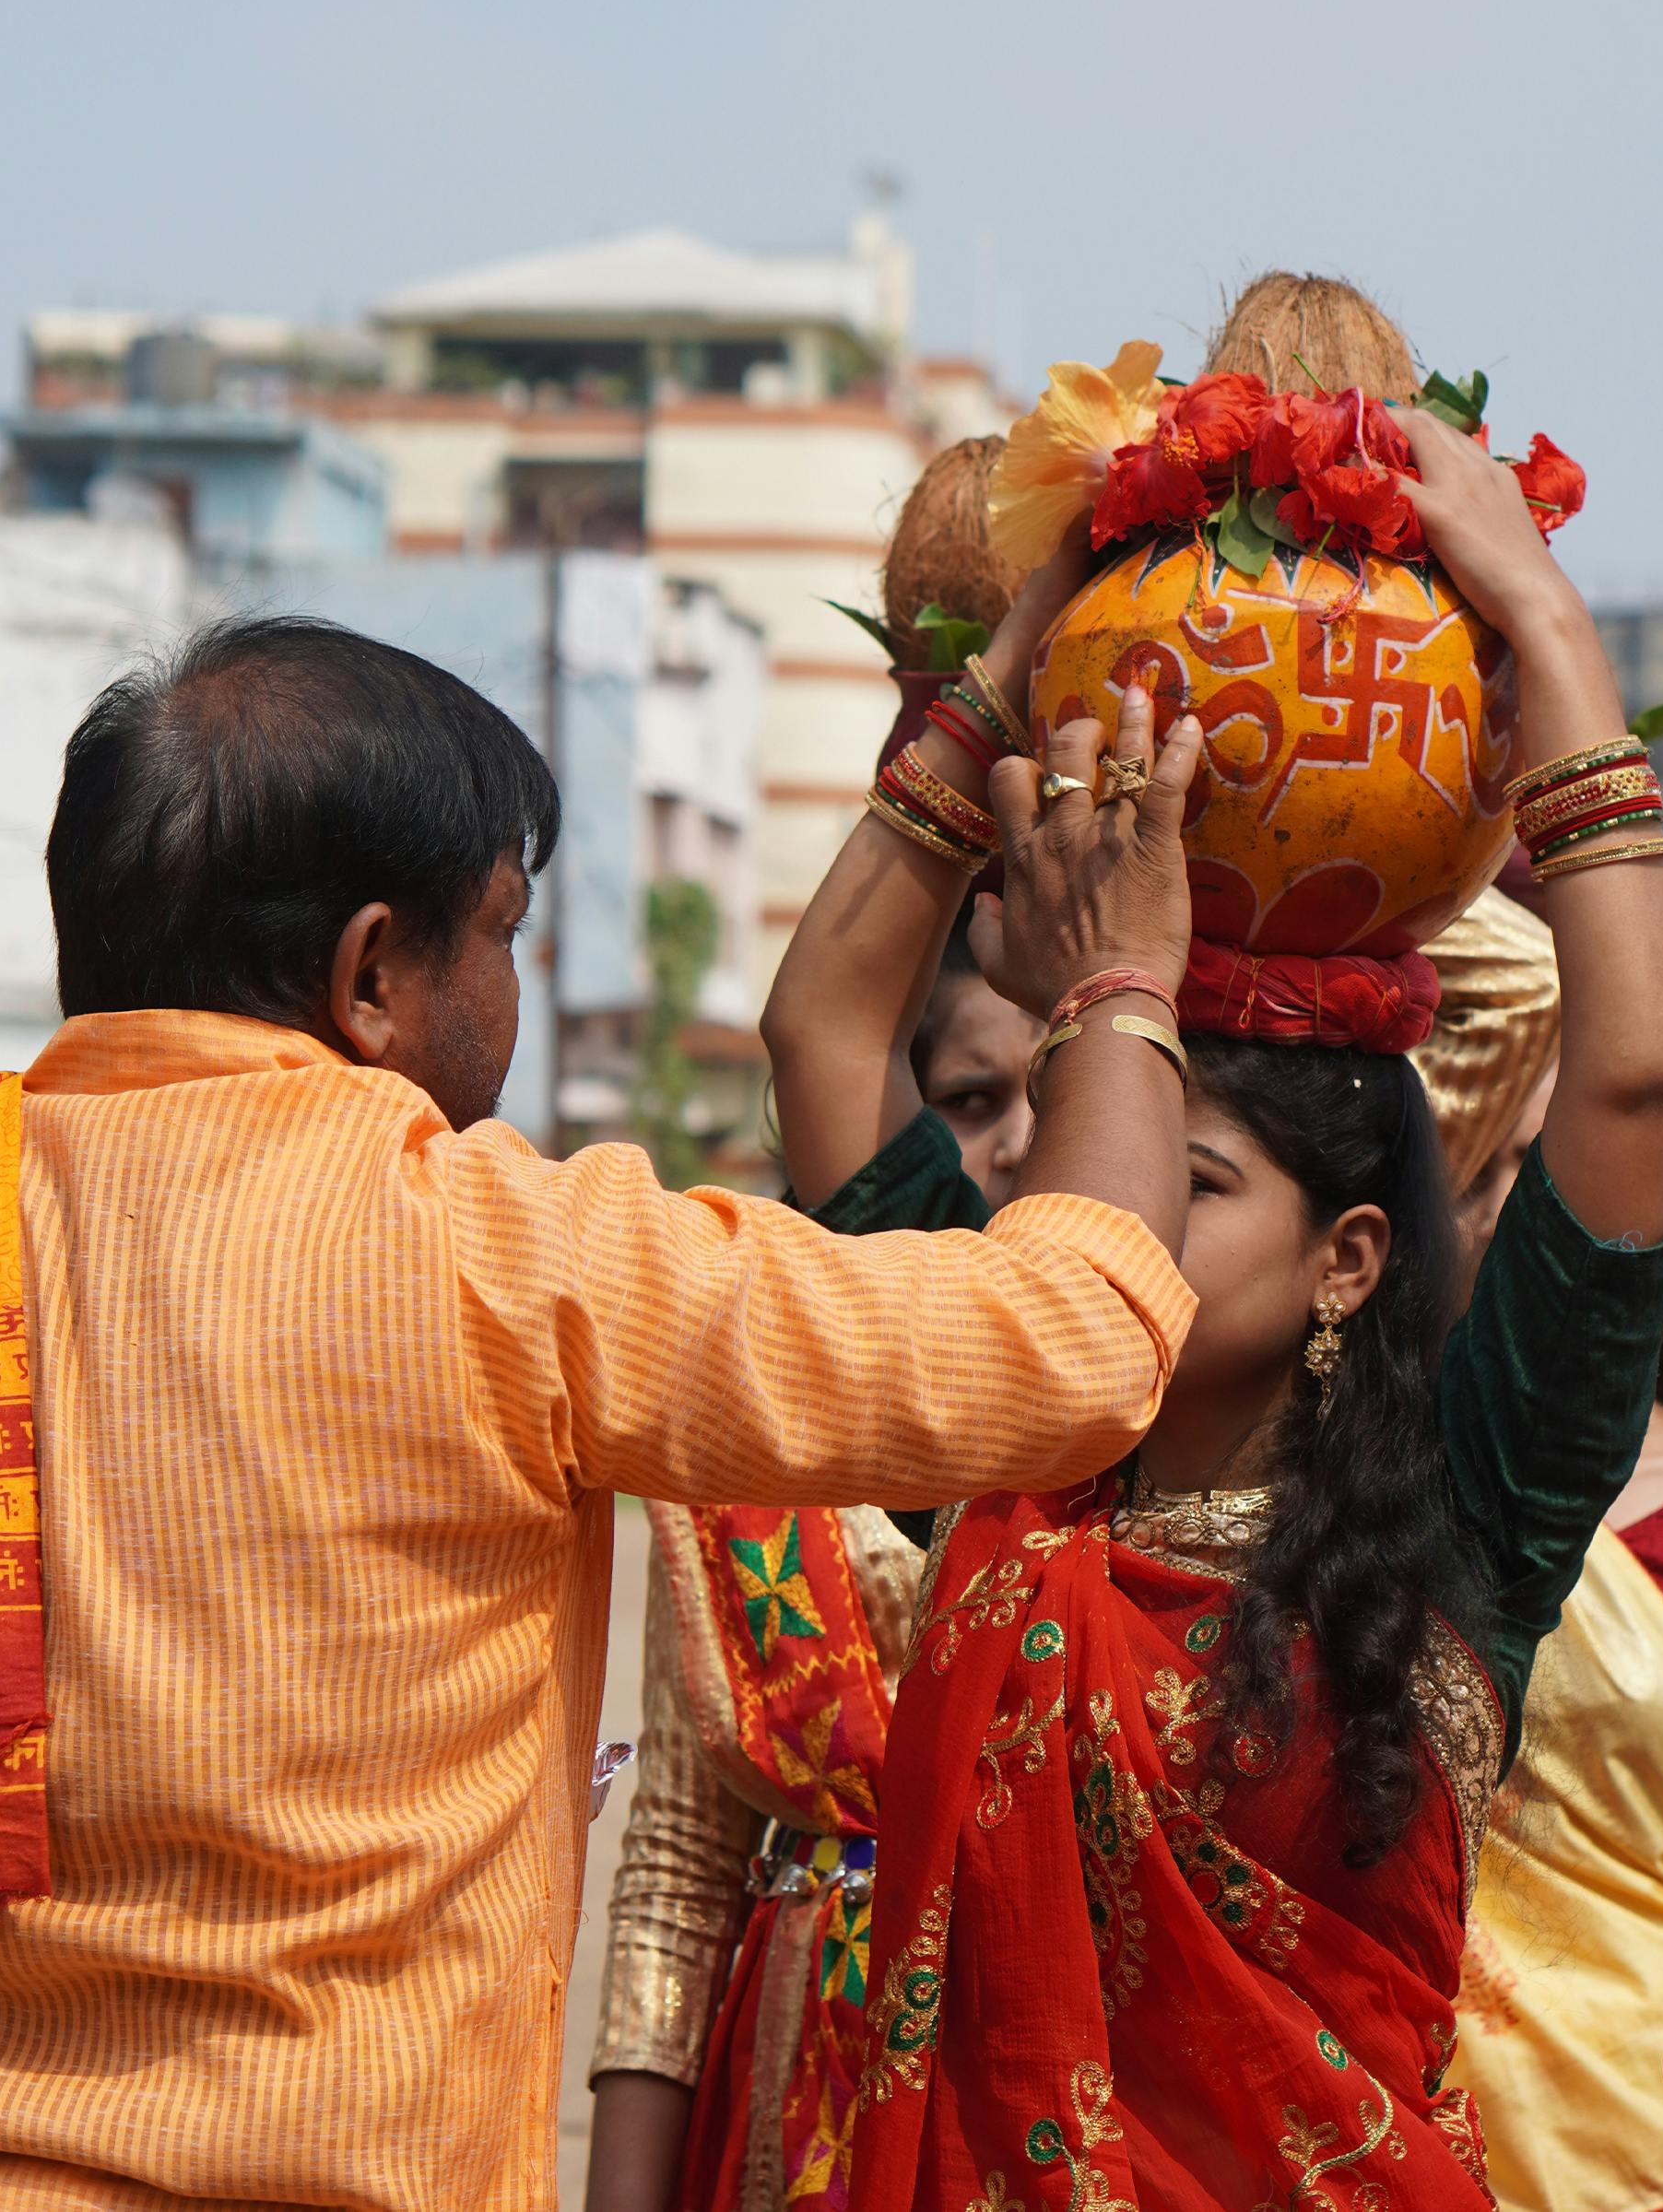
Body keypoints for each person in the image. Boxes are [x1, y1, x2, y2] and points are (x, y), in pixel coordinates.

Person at [0, 616, 1210, 2210]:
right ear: (372, 975)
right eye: (502, 935)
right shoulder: (499, 1251)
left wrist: (958, 726)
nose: (511, 989)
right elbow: (1077, 1337)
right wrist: (1121, 977)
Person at [766, 358, 1663, 2201]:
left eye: (1181, 1178)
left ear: (1352, 1252)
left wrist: (1539, 620)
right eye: (1067, 1142)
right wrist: (1036, 629)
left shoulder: (1472, 1517)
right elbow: (821, 1022)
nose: (1083, 1195)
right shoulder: (994, 1427)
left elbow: (1631, 1065)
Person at [584, 444, 1039, 2212]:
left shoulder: (1175, 1422)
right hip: (775, 2119)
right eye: (970, 1098)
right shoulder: (769, 1387)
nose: (1005, 1145)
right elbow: (683, 1857)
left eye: (1048, 1099)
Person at [1446, 1062, 1663, 2212]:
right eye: (1468, 1163)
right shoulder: (1293, 1491)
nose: (1515, 1211)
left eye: (1535, 1159)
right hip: (1350, 2143)